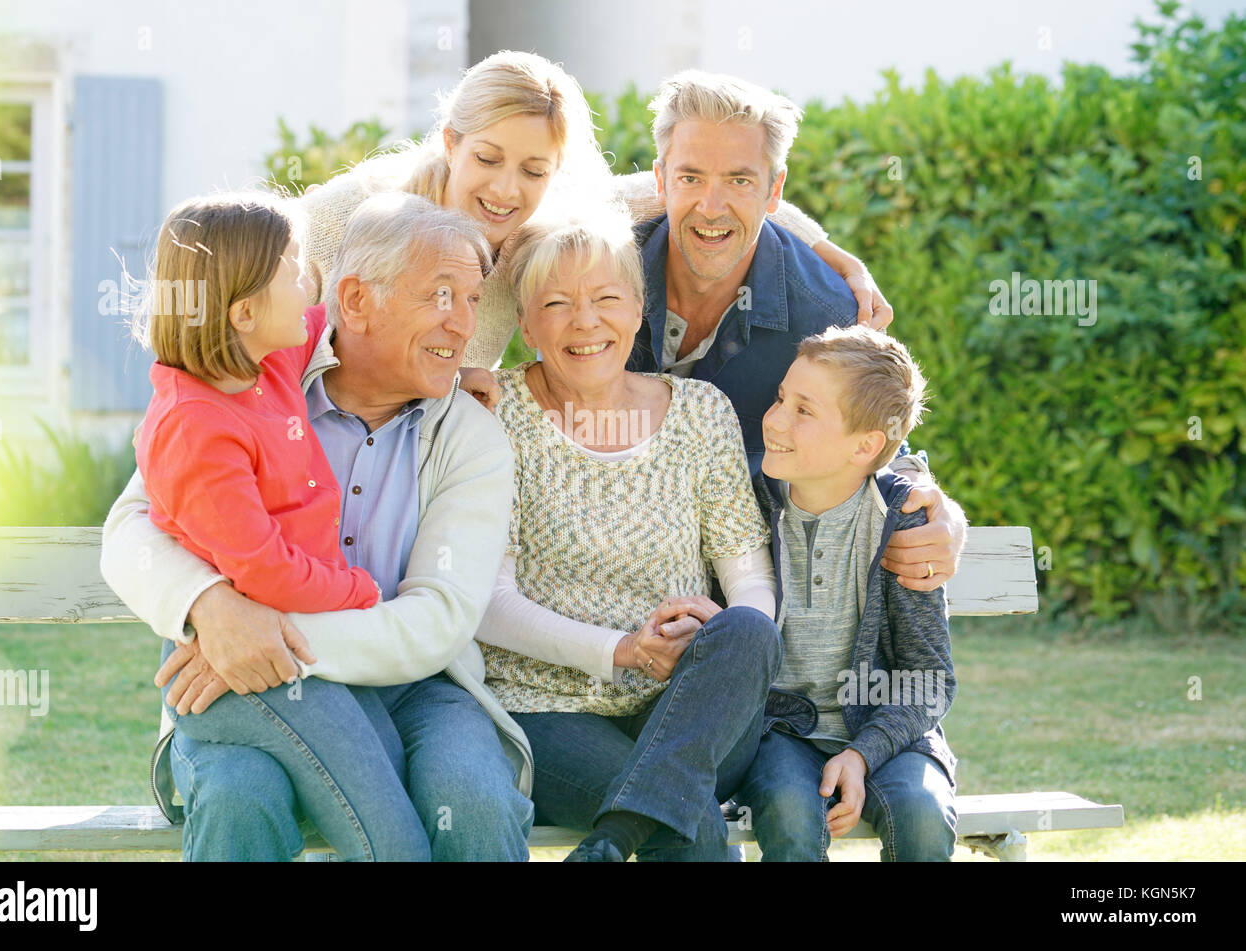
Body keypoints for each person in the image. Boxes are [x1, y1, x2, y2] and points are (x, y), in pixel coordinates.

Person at [101, 193, 533, 861]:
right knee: (239, 796)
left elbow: (436, 621)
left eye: (472, 299)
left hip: (417, 686)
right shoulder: (249, 370)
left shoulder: (469, 435)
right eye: (441, 295)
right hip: (240, 680)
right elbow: (131, 529)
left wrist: (265, 641)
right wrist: (212, 609)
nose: (463, 323)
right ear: (355, 302)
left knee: (471, 799)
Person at [473, 205, 782, 862]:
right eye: (557, 303)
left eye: (606, 298)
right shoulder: (496, 419)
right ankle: (624, 832)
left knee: (750, 628)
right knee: (689, 824)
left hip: (692, 710)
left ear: (639, 307)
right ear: (526, 324)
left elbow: (750, 582)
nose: (585, 321)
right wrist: (623, 649)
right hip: (549, 710)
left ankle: (613, 839)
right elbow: (486, 604)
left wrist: (710, 620)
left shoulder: (700, 413)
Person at [298, 51, 894, 386]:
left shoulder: (537, 233)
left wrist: (834, 255)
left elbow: (700, 191)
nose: (506, 190)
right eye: (486, 159)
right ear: (451, 142)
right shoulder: (347, 218)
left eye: (534, 170)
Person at [624, 70, 967, 590]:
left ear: (774, 189)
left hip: (750, 598)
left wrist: (937, 503)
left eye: (739, 180)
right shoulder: (600, 277)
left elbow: (870, 441)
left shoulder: (827, 310)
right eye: (691, 177)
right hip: (605, 578)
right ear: (660, 180)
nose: (711, 207)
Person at [735, 325, 957, 861]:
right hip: (779, 731)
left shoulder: (901, 522)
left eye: (804, 411)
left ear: (865, 446)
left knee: (923, 819)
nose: (775, 419)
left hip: (888, 731)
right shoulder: (742, 501)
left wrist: (863, 752)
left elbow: (930, 676)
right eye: (781, 398)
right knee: (789, 816)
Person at [135, 193, 379, 616]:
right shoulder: (195, 432)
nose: (308, 289)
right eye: (295, 274)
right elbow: (268, 574)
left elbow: (338, 313)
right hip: (264, 633)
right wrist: (361, 592)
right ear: (244, 314)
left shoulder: (266, 360)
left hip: (312, 615)